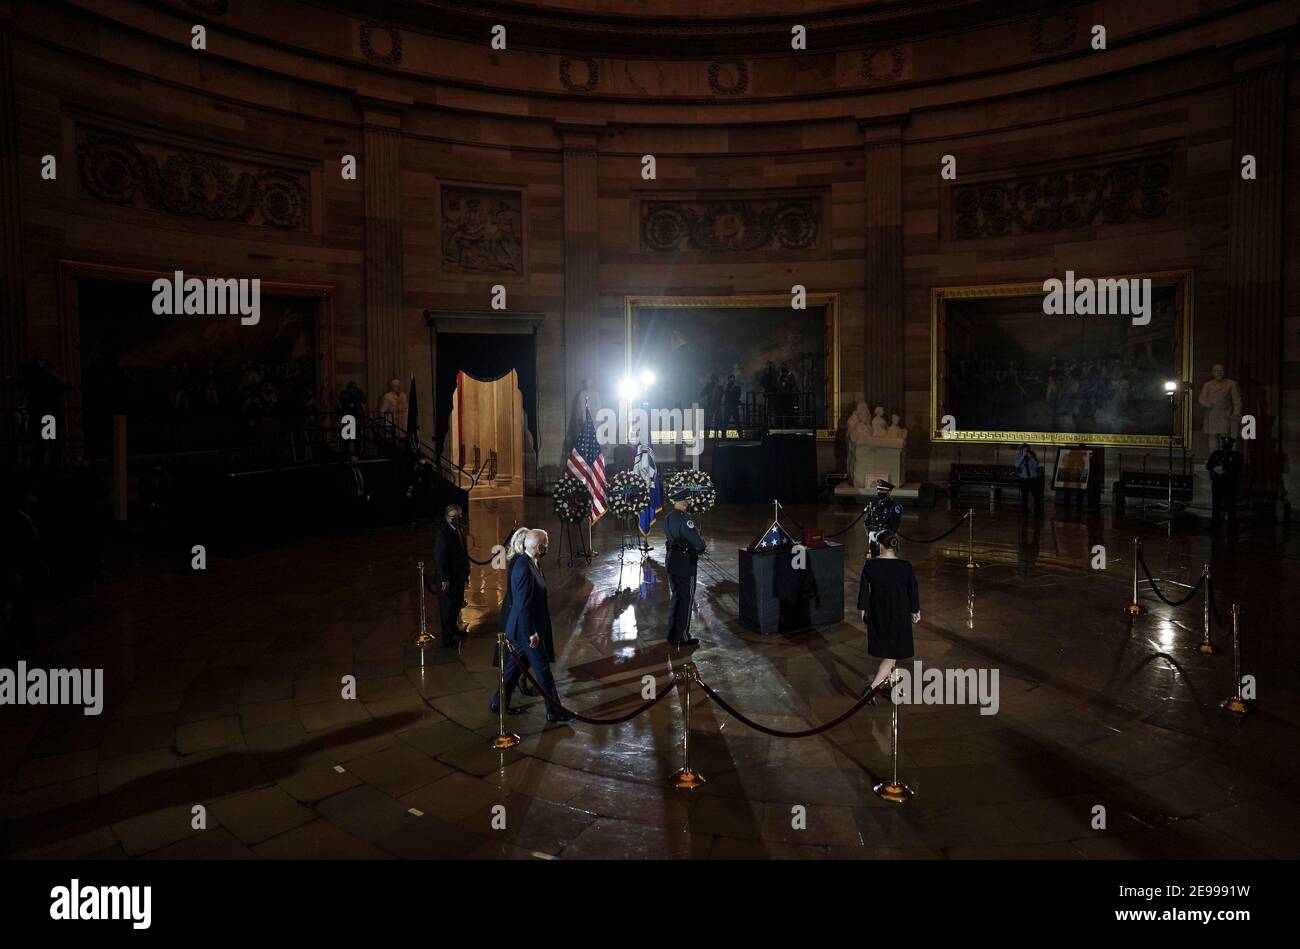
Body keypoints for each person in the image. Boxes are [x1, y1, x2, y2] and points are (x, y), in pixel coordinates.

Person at [491, 530, 571, 723]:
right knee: (543, 672)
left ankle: (498, 701)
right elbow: (522, 605)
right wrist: (531, 633)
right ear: (538, 546)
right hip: (526, 632)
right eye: (546, 543)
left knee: (514, 668)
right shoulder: (523, 568)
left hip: (524, 630)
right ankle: (554, 711)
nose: (547, 547)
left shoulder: (531, 562)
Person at [856, 530, 920, 702]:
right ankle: (872, 689)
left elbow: (863, 589)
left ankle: (887, 686)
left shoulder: (871, 565)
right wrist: (915, 611)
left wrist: (863, 610)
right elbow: (912, 590)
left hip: (879, 613)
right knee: (892, 653)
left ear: (880, 545)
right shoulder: (905, 566)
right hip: (899, 614)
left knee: (891, 653)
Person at [491, 526, 533, 696]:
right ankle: (508, 691)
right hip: (515, 612)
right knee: (515, 655)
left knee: (520, 655)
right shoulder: (520, 562)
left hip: (515, 609)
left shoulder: (523, 559)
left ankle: (519, 681)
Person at [663, 486, 706, 646]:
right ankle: (682, 636)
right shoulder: (684, 520)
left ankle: (672, 633)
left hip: (671, 560)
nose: (687, 503)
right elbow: (697, 542)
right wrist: (702, 546)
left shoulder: (668, 517)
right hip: (685, 564)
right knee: (686, 599)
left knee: (677, 597)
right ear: (682, 502)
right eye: (686, 501)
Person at [432, 504, 470, 646]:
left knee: (456, 605)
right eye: (454, 517)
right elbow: (440, 558)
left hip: (459, 576)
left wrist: (467, 572)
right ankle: (447, 638)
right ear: (447, 518)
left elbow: (463, 553)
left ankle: (454, 629)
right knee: (447, 608)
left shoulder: (459, 529)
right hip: (449, 578)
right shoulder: (443, 533)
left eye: (459, 516)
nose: (457, 519)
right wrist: (444, 578)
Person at [1205, 435, 1243, 528]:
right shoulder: (1216, 453)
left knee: (1231, 504)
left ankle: (1232, 524)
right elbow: (1209, 465)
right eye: (1224, 442)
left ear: (1231, 444)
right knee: (1216, 503)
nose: (1226, 444)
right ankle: (1215, 523)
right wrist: (1214, 468)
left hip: (1230, 482)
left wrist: (1224, 468)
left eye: (1228, 443)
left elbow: (1238, 467)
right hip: (1218, 482)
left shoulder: (1236, 455)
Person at [863, 479, 903, 558]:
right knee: (873, 562)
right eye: (878, 489)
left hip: (886, 541)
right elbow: (867, 522)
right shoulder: (873, 504)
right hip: (873, 540)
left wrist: (880, 537)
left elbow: (893, 526)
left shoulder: (894, 506)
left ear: (888, 492)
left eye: (882, 490)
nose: (879, 492)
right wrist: (870, 534)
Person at [1015, 443, 1042, 517]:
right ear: (1021, 450)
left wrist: (1031, 458)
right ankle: (1025, 512)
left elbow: (1036, 465)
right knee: (1024, 497)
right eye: (1024, 450)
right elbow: (1017, 465)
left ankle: (1037, 512)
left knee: (1036, 496)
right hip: (1024, 479)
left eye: (1027, 450)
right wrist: (1022, 457)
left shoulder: (1032, 455)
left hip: (1033, 479)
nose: (1025, 451)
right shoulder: (1018, 456)